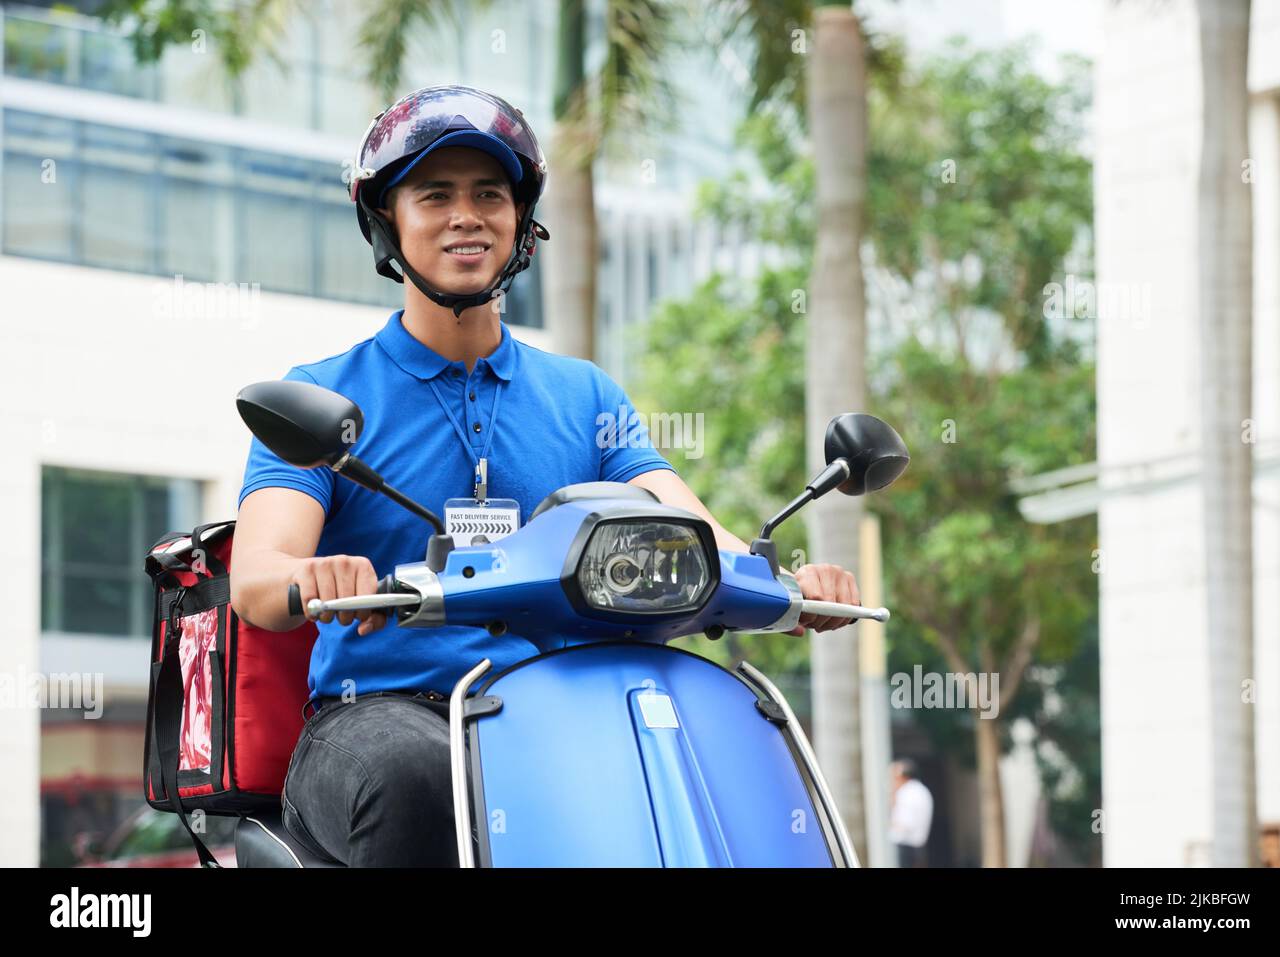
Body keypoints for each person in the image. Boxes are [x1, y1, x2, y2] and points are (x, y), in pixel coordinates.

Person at [229, 85, 863, 867]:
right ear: (387, 220)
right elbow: (257, 578)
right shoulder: (327, 396)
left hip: (561, 709)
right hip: (381, 715)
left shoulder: (585, 394)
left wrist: (792, 586)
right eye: (435, 194)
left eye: (490, 194)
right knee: (419, 778)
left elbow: (690, 527)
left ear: (520, 222)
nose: (467, 214)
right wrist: (313, 573)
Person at [889, 758, 934, 867]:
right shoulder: (920, 790)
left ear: (902, 777)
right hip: (915, 849)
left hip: (905, 849)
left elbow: (904, 824)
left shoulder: (907, 792)